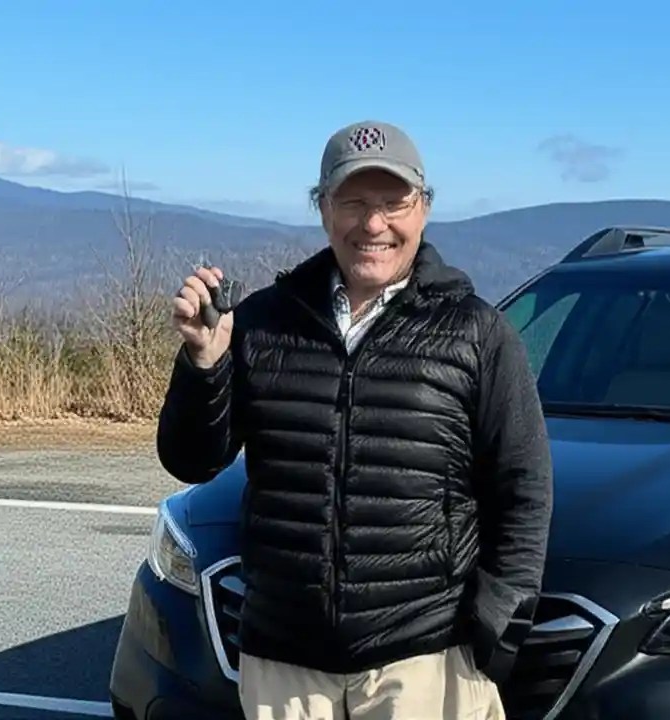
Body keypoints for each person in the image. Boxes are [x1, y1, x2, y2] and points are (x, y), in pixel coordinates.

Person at [156, 120, 553, 719]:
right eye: (353, 202)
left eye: (394, 202)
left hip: (425, 661)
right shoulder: (262, 323)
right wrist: (204, 364)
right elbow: (191, 460)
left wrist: (496, 626)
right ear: (322, 209)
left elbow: (525, 489)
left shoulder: (476, 333)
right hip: (284, 667)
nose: (374, 224)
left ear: (424, 209)